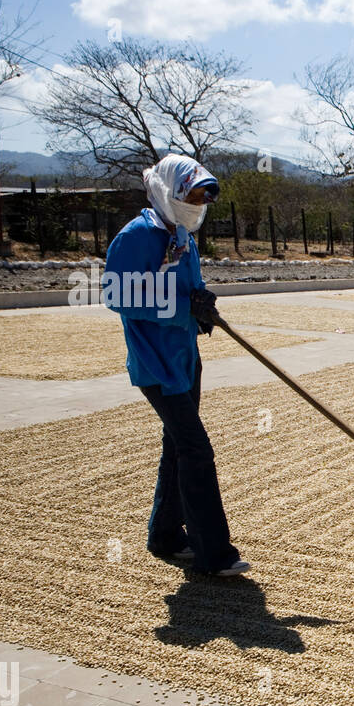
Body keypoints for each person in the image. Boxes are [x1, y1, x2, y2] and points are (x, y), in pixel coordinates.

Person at [103, 153, 249, 577]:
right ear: (170, 191)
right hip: (155, 364)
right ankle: (214, 554)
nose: (197, 204)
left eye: (204, 199)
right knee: (196, 450)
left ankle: (165, 535)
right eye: (193, 195)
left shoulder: (184, 238)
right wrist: (182, 305)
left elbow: (191, 291)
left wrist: (202, 306)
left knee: (177, 446)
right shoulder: (134, 237)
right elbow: (118, 297)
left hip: (185, 359)